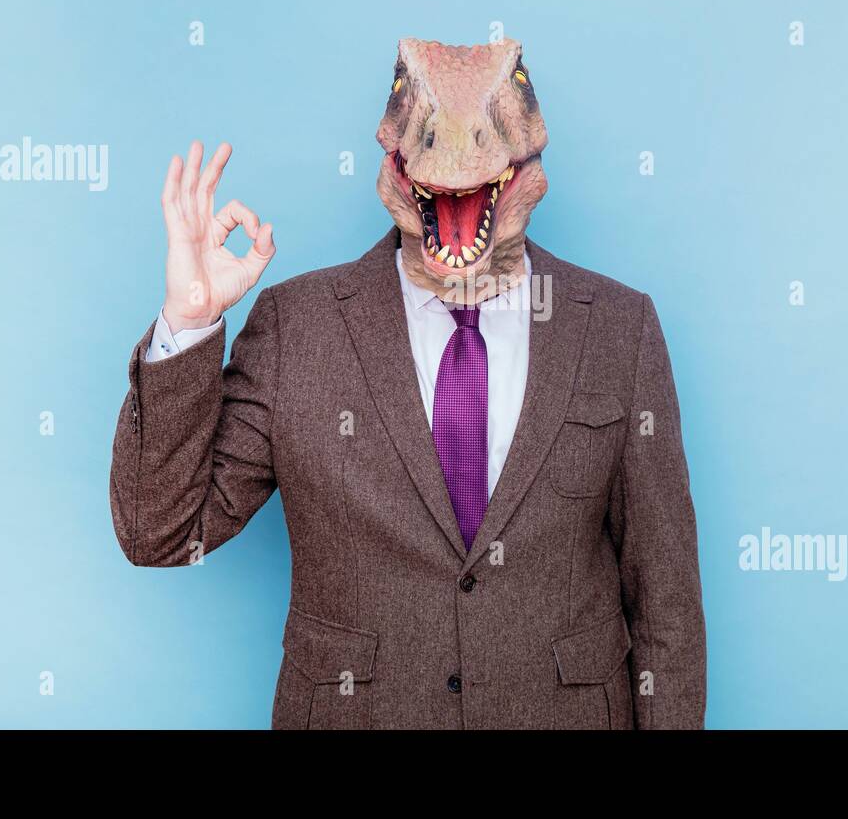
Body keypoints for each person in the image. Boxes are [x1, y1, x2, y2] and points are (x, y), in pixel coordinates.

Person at [109, 38, 706, 729]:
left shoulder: (618, 329)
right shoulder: (295, 326)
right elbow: (160, 532)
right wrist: (188, 323)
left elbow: (666, 601)